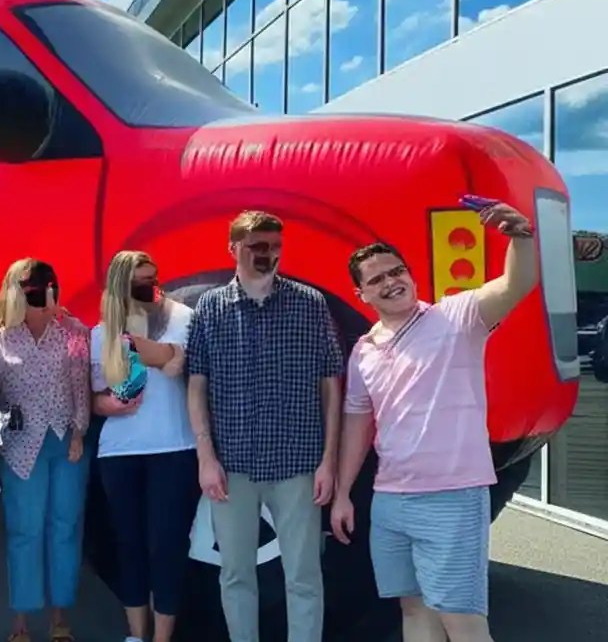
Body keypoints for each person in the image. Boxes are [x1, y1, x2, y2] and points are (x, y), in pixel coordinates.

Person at [331, 200, 537, 642]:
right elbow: (357, 426)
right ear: (360, 295)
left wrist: (520, 238)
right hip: (389, 499)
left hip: (452, 497)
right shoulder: (364, 350)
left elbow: (514, 284)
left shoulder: (457, 317)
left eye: (396, 271)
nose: (391, 282)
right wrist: (345, 492)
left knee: (461, 619)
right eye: (377, 279)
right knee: (413, 609)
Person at [184, 210, 343, 642]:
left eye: (274, 246)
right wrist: (205, 457)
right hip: (232, 464)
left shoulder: (309, 304)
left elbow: (330, 385)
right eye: (257, 246)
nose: (268, 255)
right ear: (233, 248)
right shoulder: (210, 308)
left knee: (305, 575)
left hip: (298, 462)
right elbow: (197, 386)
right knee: (236, 574)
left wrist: (329, 462)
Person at [0, 259, 92, 642]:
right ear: (16, 293)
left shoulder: (73, 330)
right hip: (20, 446)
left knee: (65, 528)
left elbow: (81, 386)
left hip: (65, 441)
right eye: (33, 290)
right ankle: (21, 622)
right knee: (24, 532)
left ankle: (60, 617)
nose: (43, 296)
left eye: (48, 287)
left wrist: (79, 433)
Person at [88, 250, 198, 642]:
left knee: (165, 545)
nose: (148, 285)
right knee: (128, 546)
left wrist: (156, 351)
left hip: (174, 449)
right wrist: (107, 404)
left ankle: (163, 637)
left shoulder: (183, 318)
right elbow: (90, 396)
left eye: (152, 277)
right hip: (119, 453)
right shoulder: (100, 333)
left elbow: (180, 368)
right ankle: (137, 635)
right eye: (139, 280)